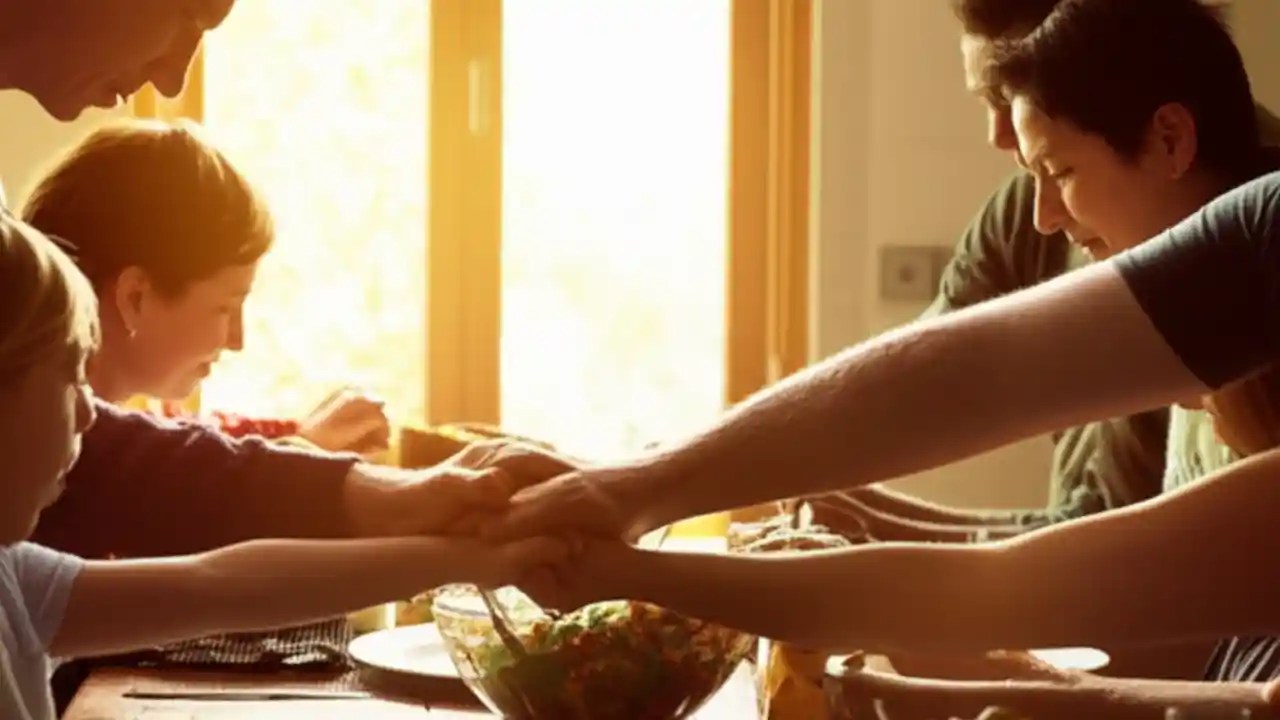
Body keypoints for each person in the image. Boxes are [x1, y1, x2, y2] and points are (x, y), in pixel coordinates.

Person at [500, 0, 1280, 674]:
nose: (1043, 213)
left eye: (1062, 173)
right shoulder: (1238, 242)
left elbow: (1058, 573)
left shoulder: (1250, 232)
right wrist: (634, 493)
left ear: (1170, 139)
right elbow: (956, 376)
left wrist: (637, 537)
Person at [0, 0, 575, 563]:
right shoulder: (47, 458)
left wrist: (319, 454)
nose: (173, 78)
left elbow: (144, 459)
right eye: (187, 15)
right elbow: (114, 484)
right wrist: (396, 509)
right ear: (134, 296)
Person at [0, 210, 567, 720]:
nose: (90, 415)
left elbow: (217, 584)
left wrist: (478, 558)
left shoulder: (15, 575)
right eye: (69, 375)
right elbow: (214, 584)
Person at [20, 119, 389, 456]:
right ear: (135, 298)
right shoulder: (52, 450)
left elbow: (193, 442)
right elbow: (173, 484)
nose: (236, 340)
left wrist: (300, 435)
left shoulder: (60, 411)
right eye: (225, 308)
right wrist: (303, 449)